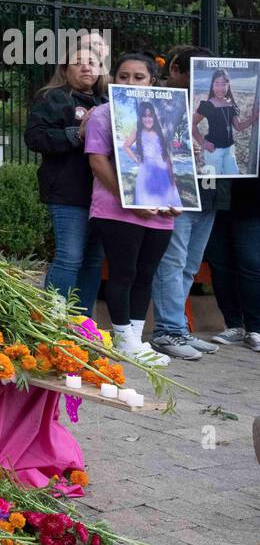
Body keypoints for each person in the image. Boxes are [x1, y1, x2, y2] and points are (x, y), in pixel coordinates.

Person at [85, 52, 177, 364]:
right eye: (123, 76)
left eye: (139, 77)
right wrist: (130, 201)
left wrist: (178, 199)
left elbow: (178, 161)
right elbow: (98, 161)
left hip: (160, 209)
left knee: (146, 274)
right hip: (115, 210)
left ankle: (136, 341)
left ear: (152, 80)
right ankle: (124, 340)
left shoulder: (167, 116)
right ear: (113, 79)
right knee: (124, 272)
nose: (130, 82)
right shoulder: (103, 115)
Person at [24, 33, 108, 315]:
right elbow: (35, 138)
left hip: (103, 194)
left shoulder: (108, 101)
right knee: (70, 258)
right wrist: (76, 134)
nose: (87, 67)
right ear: (65, 69)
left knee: (93, 260)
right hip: (68, 193)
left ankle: (83, 323)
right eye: (78, 62)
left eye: (93, 62)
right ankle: (54, 319)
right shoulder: (52, 99)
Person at [149, 46, 221, 359]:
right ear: (175, 70)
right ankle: (168, 330)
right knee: (172, 262)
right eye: (194, 75)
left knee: (189, 265)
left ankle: (179, 329)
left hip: (209, 192)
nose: (199, 82)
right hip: (175, 194)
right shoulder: (156, 100)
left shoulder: (209, 102)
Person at [204, 177, 260, 351]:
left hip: (251, 201)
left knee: (250, 264)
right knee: (220, 266)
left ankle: (255, 328)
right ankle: (233, 325)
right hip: (213, 201)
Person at [193, 68, 258, 177]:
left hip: (229, 150)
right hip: (214, 151)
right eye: (217, 84)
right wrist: (202, 143)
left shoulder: (231, 104)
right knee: (210, 183)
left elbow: (238, 126)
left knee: (233, 177)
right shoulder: (208, 105)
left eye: (224, 84)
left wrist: (255, 117)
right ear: (212, 86)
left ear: (228, 86)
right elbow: (193, 123)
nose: (220, 88)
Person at [122, 101, 181, 207]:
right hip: (146, 171)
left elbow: (166, 155)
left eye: (150, 116)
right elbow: (126, 146)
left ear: (154, 116)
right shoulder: (138, 131)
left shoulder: (159, 132)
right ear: (140, 118)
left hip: (162, 170)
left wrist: (171, 176)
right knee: (148, 202)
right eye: (144, 116)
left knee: (165, 202)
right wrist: (136, 158)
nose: (148, 119)